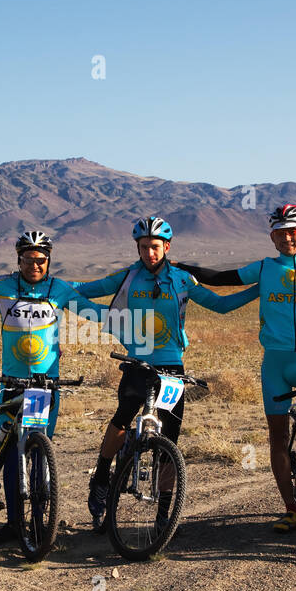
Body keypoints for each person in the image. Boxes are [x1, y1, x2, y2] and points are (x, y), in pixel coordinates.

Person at [172, 205, 296, 533]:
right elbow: (222, 279)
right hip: (275, 367)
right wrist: (181, 266)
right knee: (278, 438)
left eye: (292, 232)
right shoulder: (264, 269)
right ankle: (291, 508)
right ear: (272, 236)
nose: (286, 238)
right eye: (280, 233)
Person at [74, 217, 259, 529]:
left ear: (167, 247)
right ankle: (103, 475)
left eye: (155, 247)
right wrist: (58, 294)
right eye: (144, 247)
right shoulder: (128, 277)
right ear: (138, 248)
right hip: (137, 362)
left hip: (171, 365)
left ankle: (163, 513)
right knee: (122, 417)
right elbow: (85, 290)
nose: (150, 253)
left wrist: (259, 289)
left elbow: (222, 306)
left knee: (170, 439)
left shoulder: (182, 279)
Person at [0, 231, 111, 545]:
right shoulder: (3, 285)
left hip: (44, 386)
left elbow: (96, 312)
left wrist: (139, 316)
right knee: (12, 452)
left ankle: (37, 523)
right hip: (12, 385)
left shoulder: (59, 289)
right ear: (19, 259)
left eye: (41, 260)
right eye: (28, 259)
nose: (34, 265)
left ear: (48, 261)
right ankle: (13, 523)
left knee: (37, 451)